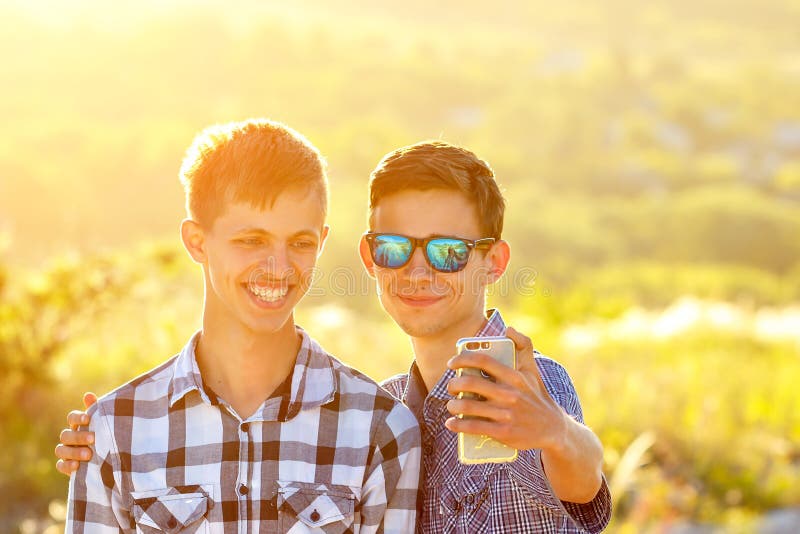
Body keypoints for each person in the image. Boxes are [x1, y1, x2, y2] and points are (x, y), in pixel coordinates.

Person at [58, 140, 611, 532]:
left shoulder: (526, 388)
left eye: (448, 251)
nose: (418, 271)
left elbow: (584, 483)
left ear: (495, 262)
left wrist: (555, 432)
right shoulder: (395, 411)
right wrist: (111, 430)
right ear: (370, 258)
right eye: (396, 248)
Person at [63, 119, 421, 533]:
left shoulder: (382, 432)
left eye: (300, 243)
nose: (279, 267)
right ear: (197, 241)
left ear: (321, 242)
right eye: (252, 240)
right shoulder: (113, 433)